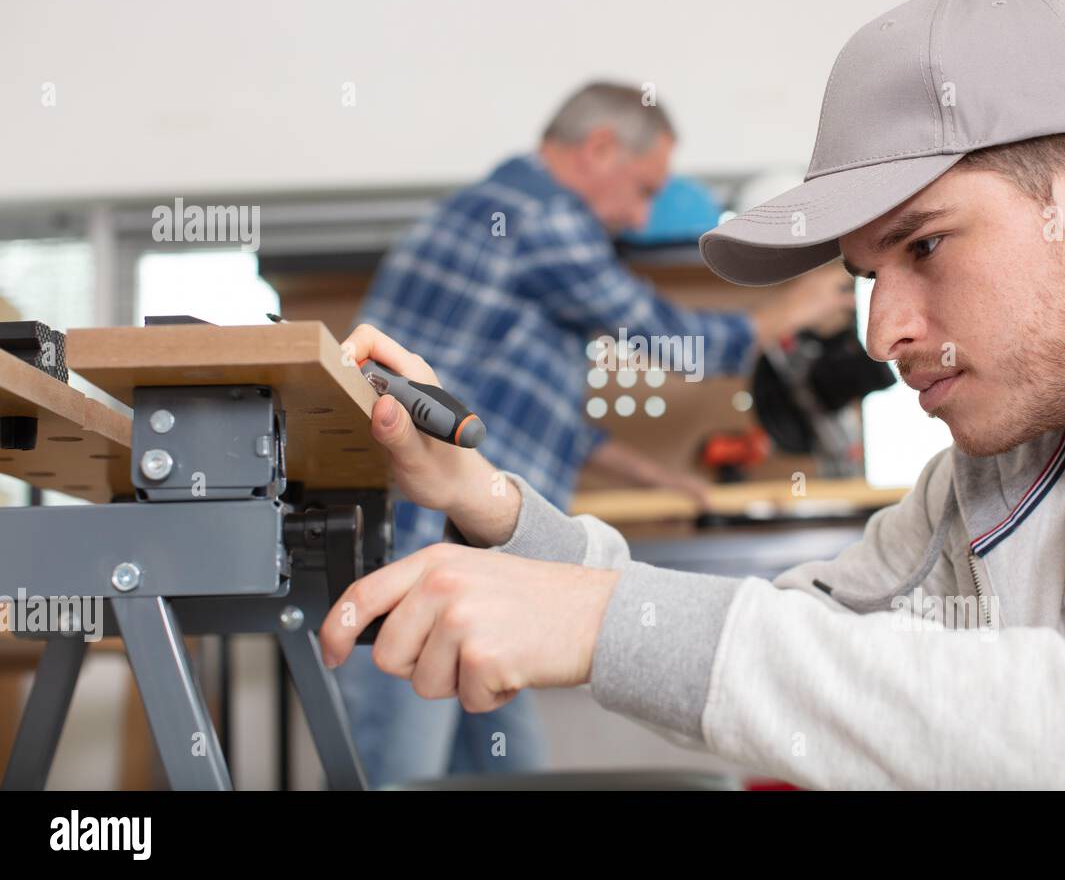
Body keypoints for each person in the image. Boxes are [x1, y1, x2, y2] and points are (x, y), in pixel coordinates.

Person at [322, 0, 1065, 788]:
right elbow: (761, 658)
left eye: (924, 243)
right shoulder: (997, 474)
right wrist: (489, 503)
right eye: (869, 274)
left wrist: (598, 619)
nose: (881, 333)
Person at [334, 81, 856, 786]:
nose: (640, 217)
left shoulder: (498, 220)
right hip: (420, 547)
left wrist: (658, 477)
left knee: (508, 771)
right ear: (600, 148)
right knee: (399, 779)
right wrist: (782, 315)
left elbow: (531, 416)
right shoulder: (536, 213)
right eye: (643, 190)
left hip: (470, 560)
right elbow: (665, 335)